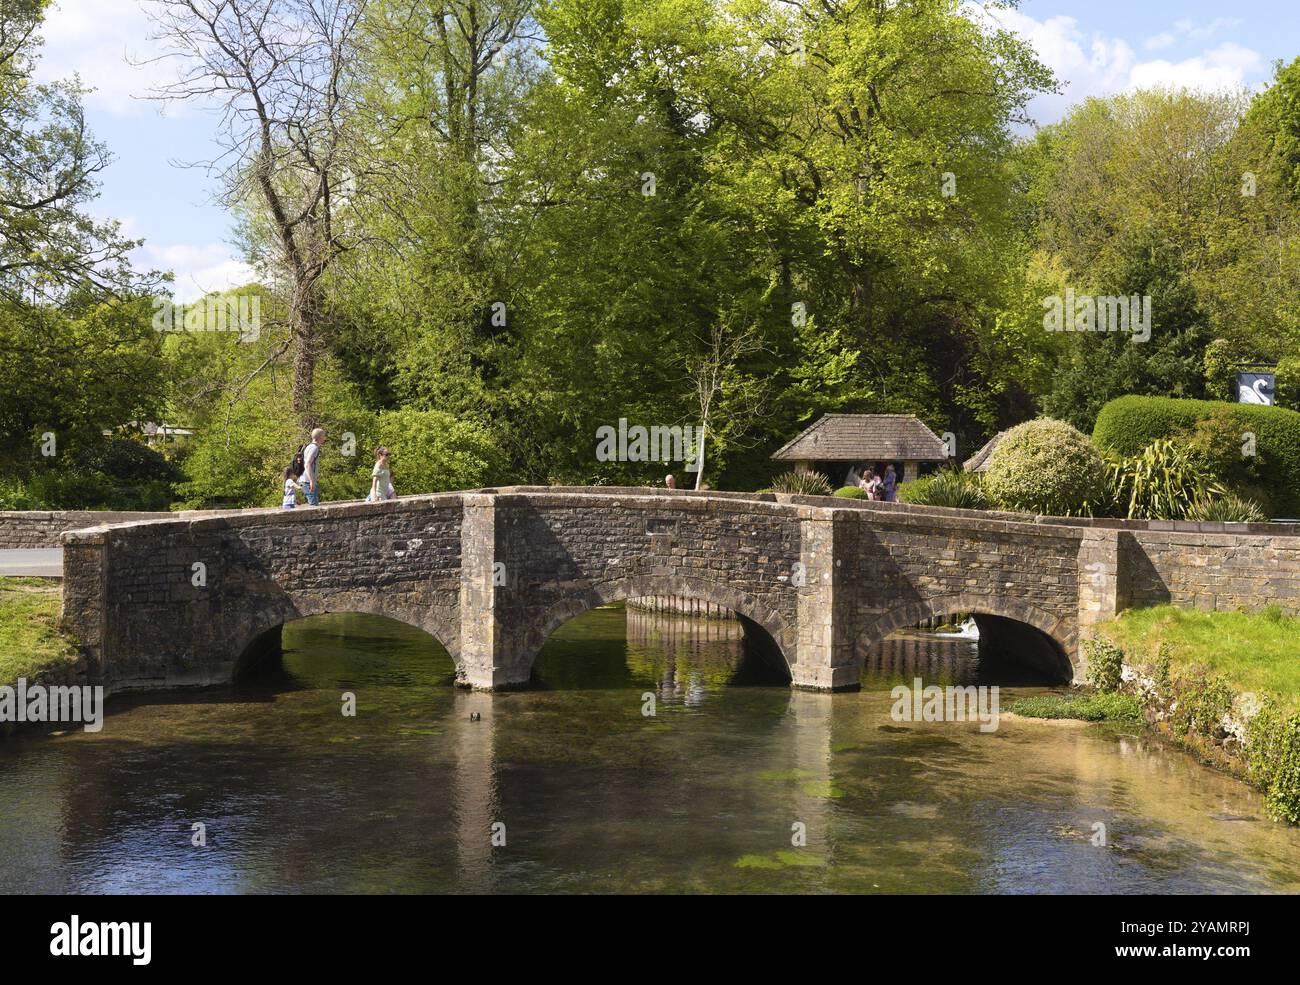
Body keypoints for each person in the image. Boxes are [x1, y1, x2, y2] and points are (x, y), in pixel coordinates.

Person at [302, 427, 326, 505]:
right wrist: (312, 481)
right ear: (319, 437)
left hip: (305, 481)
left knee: (313, 505)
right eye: (323, 436)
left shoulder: (308, 447)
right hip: (308, 482)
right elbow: (307, 464)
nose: (325, 438)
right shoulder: (314, 448)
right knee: (314, 507)